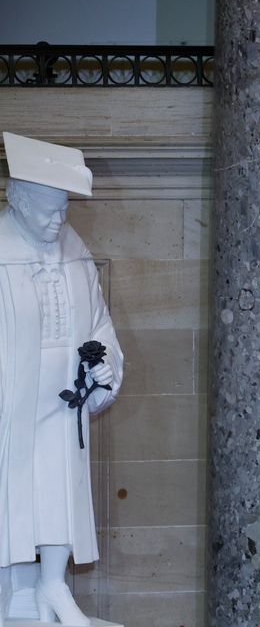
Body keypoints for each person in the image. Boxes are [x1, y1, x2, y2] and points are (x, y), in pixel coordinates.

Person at [0, 133, 123, 625]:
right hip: (11, 394)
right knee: (15, 486)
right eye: (47, 211)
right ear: (17, 198)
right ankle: (18, 587)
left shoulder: (72, 248)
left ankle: (53, 583)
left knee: (59, 487)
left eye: (63, 210)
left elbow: (98, 324)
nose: (58, 221)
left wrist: (104, 366)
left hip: (63, 394)